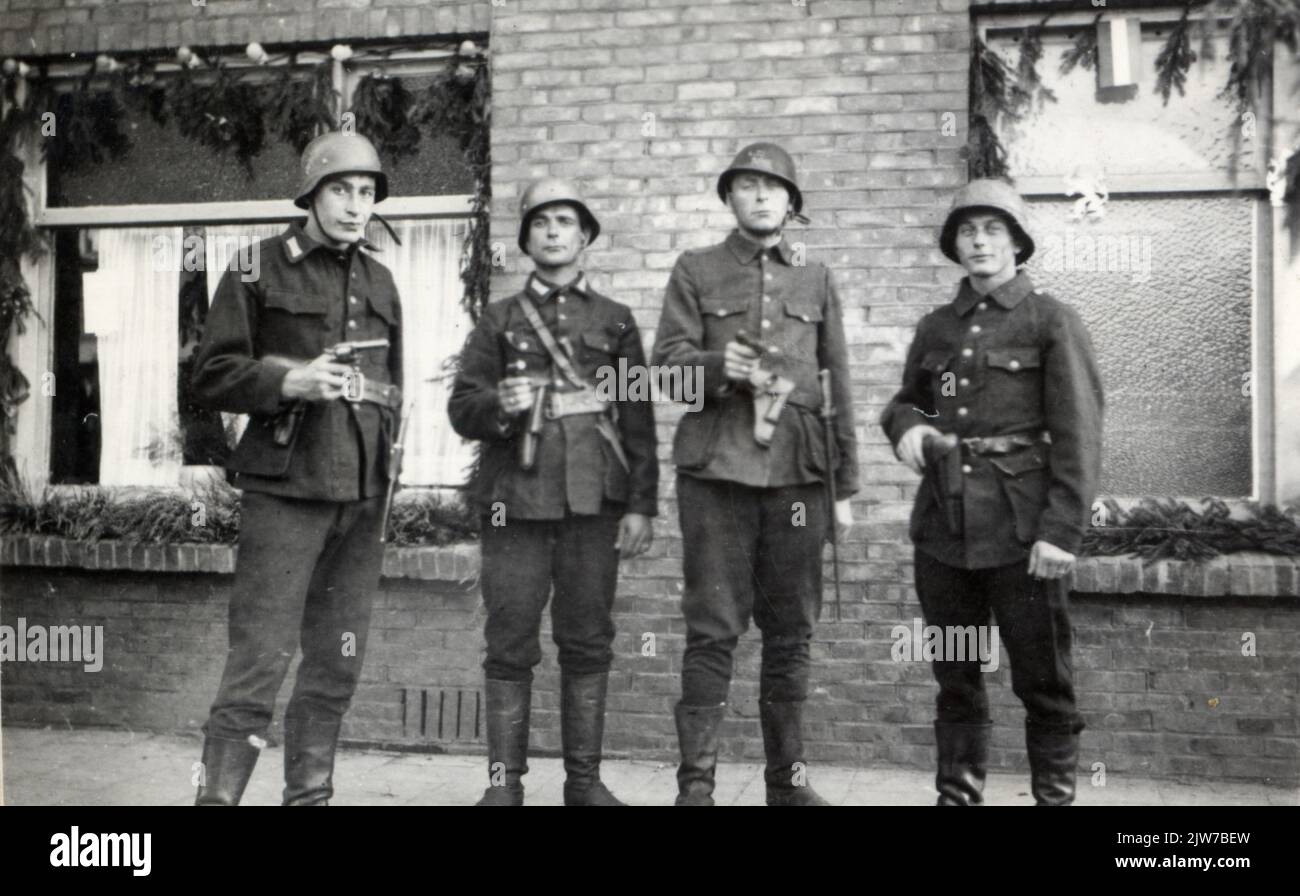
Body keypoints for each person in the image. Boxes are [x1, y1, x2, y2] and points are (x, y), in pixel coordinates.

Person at [190, 131, 403, 805]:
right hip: (286, 494)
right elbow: (212, 375)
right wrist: (290, 384)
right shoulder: (257, 266)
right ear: (312, 195)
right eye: (341, 190)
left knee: (336, 664)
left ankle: (309, 799)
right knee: (259, 661)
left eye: (366, 193)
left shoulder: (382, 279)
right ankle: (215, 801)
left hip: (361, 500)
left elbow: (390, 390)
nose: (354, 205)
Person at [880, 178, 1104, 805]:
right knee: (956, 676)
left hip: (1024, 535)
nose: (979, 242)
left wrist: (1062, 531)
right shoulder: (938, 330)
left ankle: (1054, 800)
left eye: (992, 230)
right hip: (945, 533)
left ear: (1016, 242)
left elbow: (1078, 433)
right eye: (968, 232)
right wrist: (911, 429)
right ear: (955, 244)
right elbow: (910, 405)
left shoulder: (1049, 320)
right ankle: (958, 797)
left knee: (1043, 680)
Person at [652, 143, 858, 806]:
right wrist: (722, 369)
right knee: (713, 628)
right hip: (715, 476)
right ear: (729, 198)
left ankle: (787, 785)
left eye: (774, 187)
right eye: (747, 185)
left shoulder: (816, 277)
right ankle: (696, 787)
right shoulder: (696, 269)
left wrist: (844, 487)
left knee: (792, 629)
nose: (762, 196)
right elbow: (664, 372)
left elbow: (838, 385)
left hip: (798, 477)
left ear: (791, 203)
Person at [448, 177, 658, 806]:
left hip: (594, 505)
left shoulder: (615, 321)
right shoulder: (500, 319)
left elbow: (638, 418)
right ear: (527, 239)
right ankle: (503, 786)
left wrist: (642, 505)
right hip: (514, 502)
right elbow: (462, 408)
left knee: (588, 639)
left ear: (585, 237)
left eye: (565, 222)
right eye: (541, 222)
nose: (553, 232)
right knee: (509, 639)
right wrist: (500, 406)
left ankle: (585, 785)